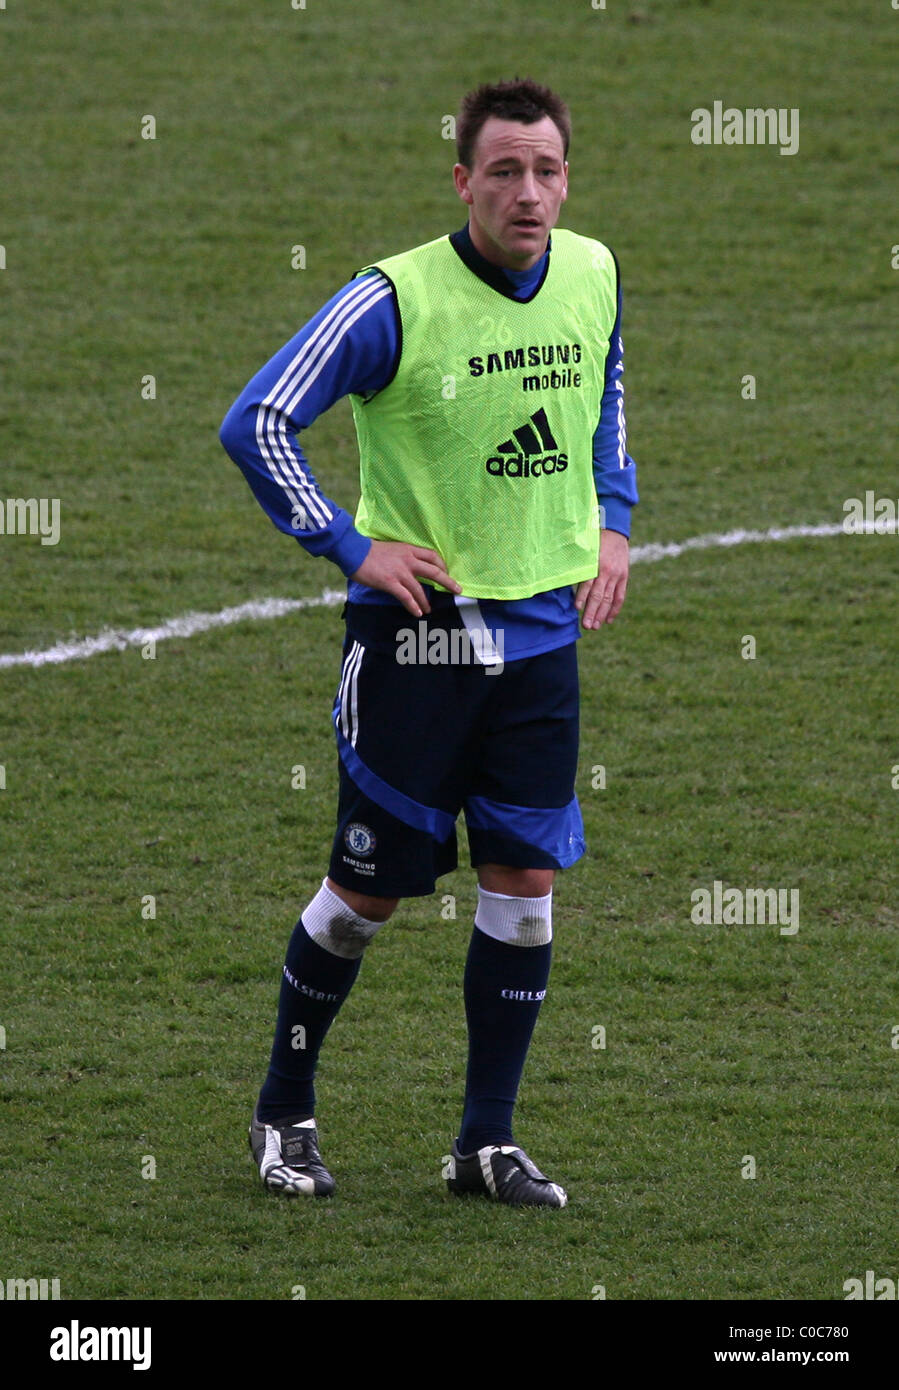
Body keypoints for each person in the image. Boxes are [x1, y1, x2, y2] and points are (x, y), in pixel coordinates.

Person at [219, 77, 638, 1208]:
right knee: (364, 898)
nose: (527, 192)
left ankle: (481, 1146)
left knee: (524, 884)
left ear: (566, 179)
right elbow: (256, 420)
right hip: (417, 646)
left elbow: (602, 397)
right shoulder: (390, 301)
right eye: (502, 170)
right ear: (461, 181)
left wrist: (611, 518)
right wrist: (351, 547)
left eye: (545, 169)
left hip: (542, 639)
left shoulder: (594, 271)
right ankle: (282, 1114)